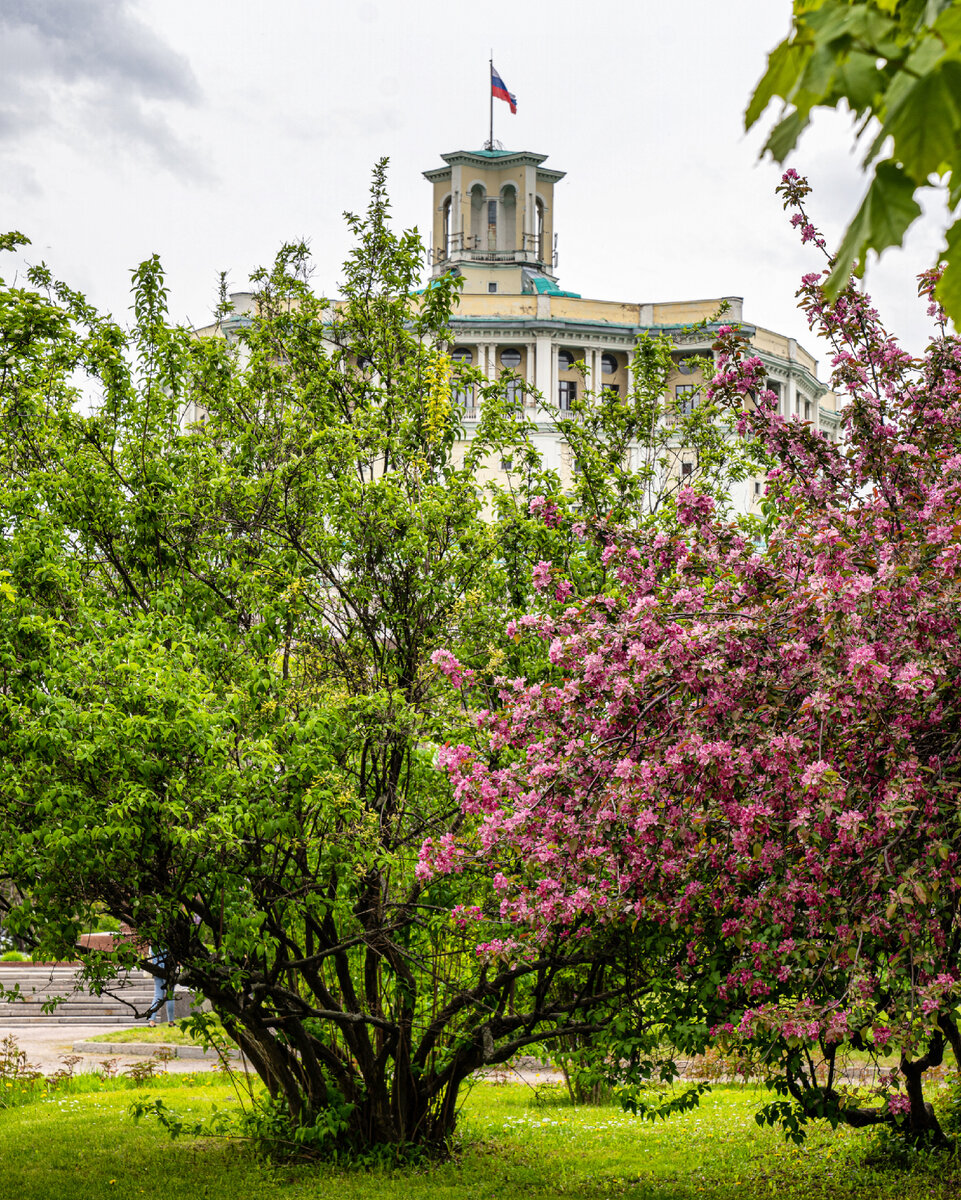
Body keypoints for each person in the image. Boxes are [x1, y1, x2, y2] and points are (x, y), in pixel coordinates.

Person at [146, 947, 176, 1026]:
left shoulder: (153, 944)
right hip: (168, 971)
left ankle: (152, 1021)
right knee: (170, 995)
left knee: (158, 995)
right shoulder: (168, 941)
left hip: (156, 970)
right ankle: (171, 1022)